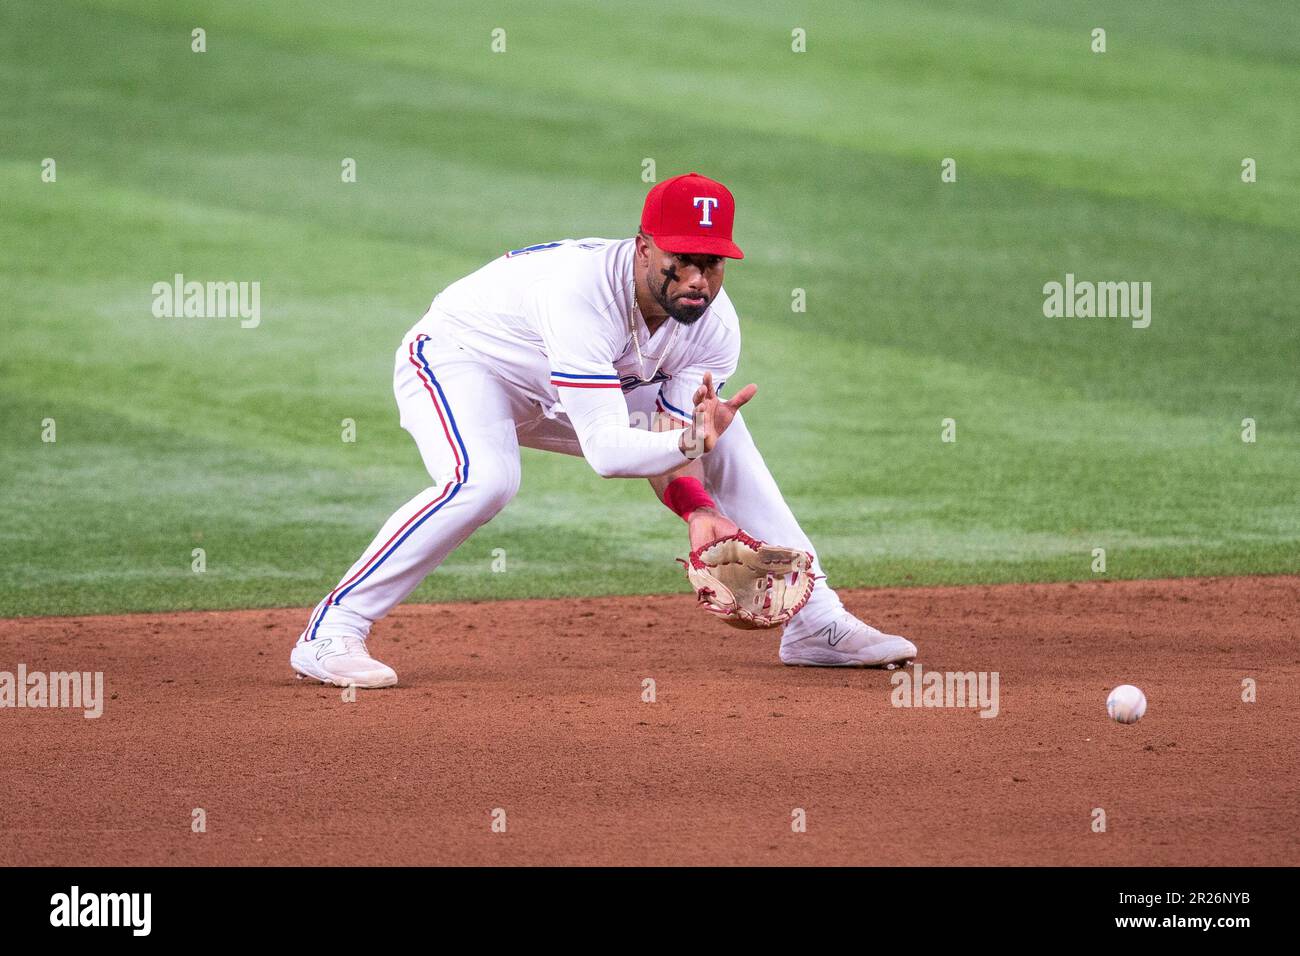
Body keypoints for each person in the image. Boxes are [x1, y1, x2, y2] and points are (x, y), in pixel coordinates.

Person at [291, 172, 917, 687]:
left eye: (713, 263)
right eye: (682, 260)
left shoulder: (713, 325)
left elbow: (672, 435)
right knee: (484, 481)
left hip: (572, 390)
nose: (698, 280)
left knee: (725, 437)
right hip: (467, 364)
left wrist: (698, 507)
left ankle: (817, 622)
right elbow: (611, 453)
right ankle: (332, 631)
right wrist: (689, 447)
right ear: (644, 246)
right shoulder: (582, 295)